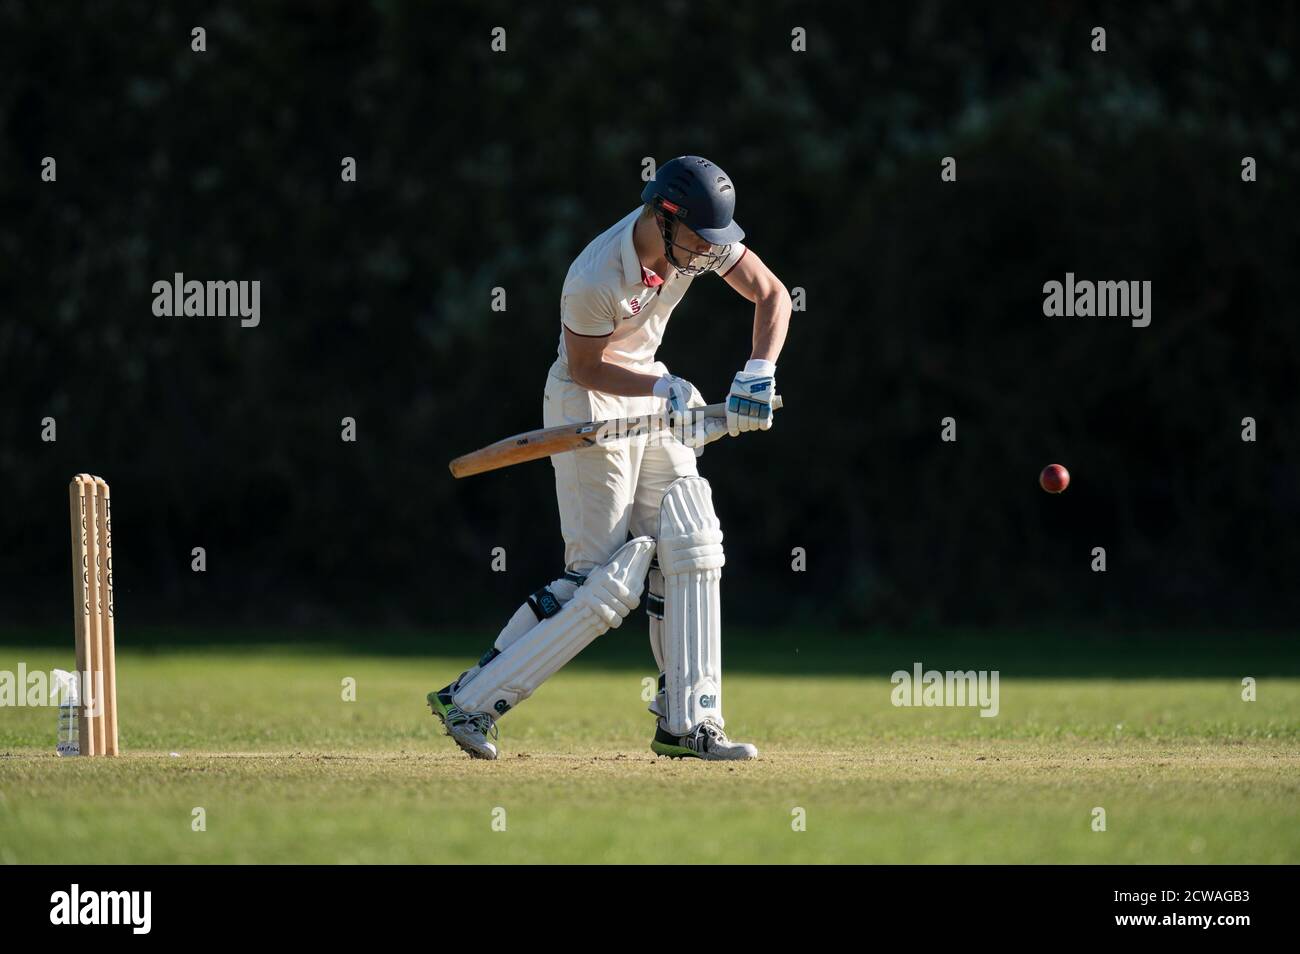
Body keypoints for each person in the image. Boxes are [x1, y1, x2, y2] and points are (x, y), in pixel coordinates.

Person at [428, 155, 790, 760]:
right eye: (700, 240)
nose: (708, 254)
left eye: (714, 241)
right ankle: (469, 701)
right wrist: (659, 389)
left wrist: (758, 372)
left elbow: (771, 293)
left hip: (652, 391)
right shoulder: (594, 276)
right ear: (664, 217)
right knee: (599, 581)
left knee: (691, 538)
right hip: (587, 404)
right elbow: (585, 366)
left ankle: (688, 723)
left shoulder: (696, 240)